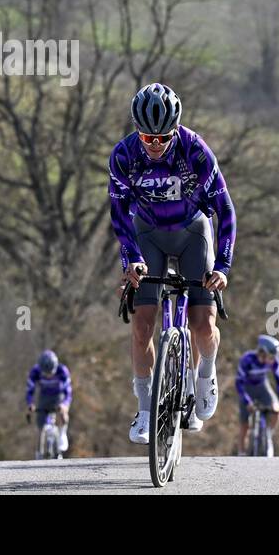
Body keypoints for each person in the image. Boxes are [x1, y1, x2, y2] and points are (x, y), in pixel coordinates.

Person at [109, 83, 236, 444]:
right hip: (147, 233)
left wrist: (222, 267)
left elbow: (225, 211)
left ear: (175, 130)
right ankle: (147, 409)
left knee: (202, 321)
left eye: (163, 137)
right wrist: (130, 258)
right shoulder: (123, 156)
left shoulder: (196, 151)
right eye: (147, 137)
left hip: (192, 230)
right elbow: (119, 215)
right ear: (137, 129)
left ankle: (206, 373)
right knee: (142, 325)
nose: (155, 145)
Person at [237, 334, 279, 455]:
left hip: (262, 386)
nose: (272, 361)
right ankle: (241, 452)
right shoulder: (247, 360)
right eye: (270, 357)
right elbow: (239, 383)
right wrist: (247, 402)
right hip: (247, 388)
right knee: (245, 425)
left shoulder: (274, 361)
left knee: (276, 410)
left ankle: (268, 435)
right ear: (262, 352)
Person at [25, 349, 72, 454]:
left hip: (58, 396)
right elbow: (30, 390)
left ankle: (62, 432)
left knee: (63, 413)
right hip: (44, 396)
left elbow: (68, 392)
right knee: (40, 424)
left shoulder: (62, 371)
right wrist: (30, 404)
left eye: (51, 373)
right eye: (45, 374)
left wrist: (65, 405)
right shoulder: (35, 371)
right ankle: (39, 452)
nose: (49, 376)